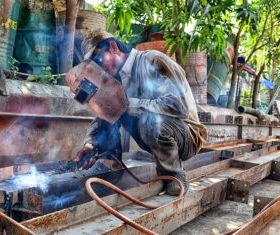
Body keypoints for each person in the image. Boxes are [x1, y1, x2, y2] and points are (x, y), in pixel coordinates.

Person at [68, 31, 207, 195]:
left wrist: (126, 105)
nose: (99, 67)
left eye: (98, 59)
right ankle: (109, 163)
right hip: (154, 135)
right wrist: (91, 144)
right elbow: (102, 118)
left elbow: (178, 105)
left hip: (186, 135)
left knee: (146, 118)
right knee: (110, 106)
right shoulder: (116, 80)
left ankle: (173, 175)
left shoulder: (153, 60)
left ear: (113, 47)